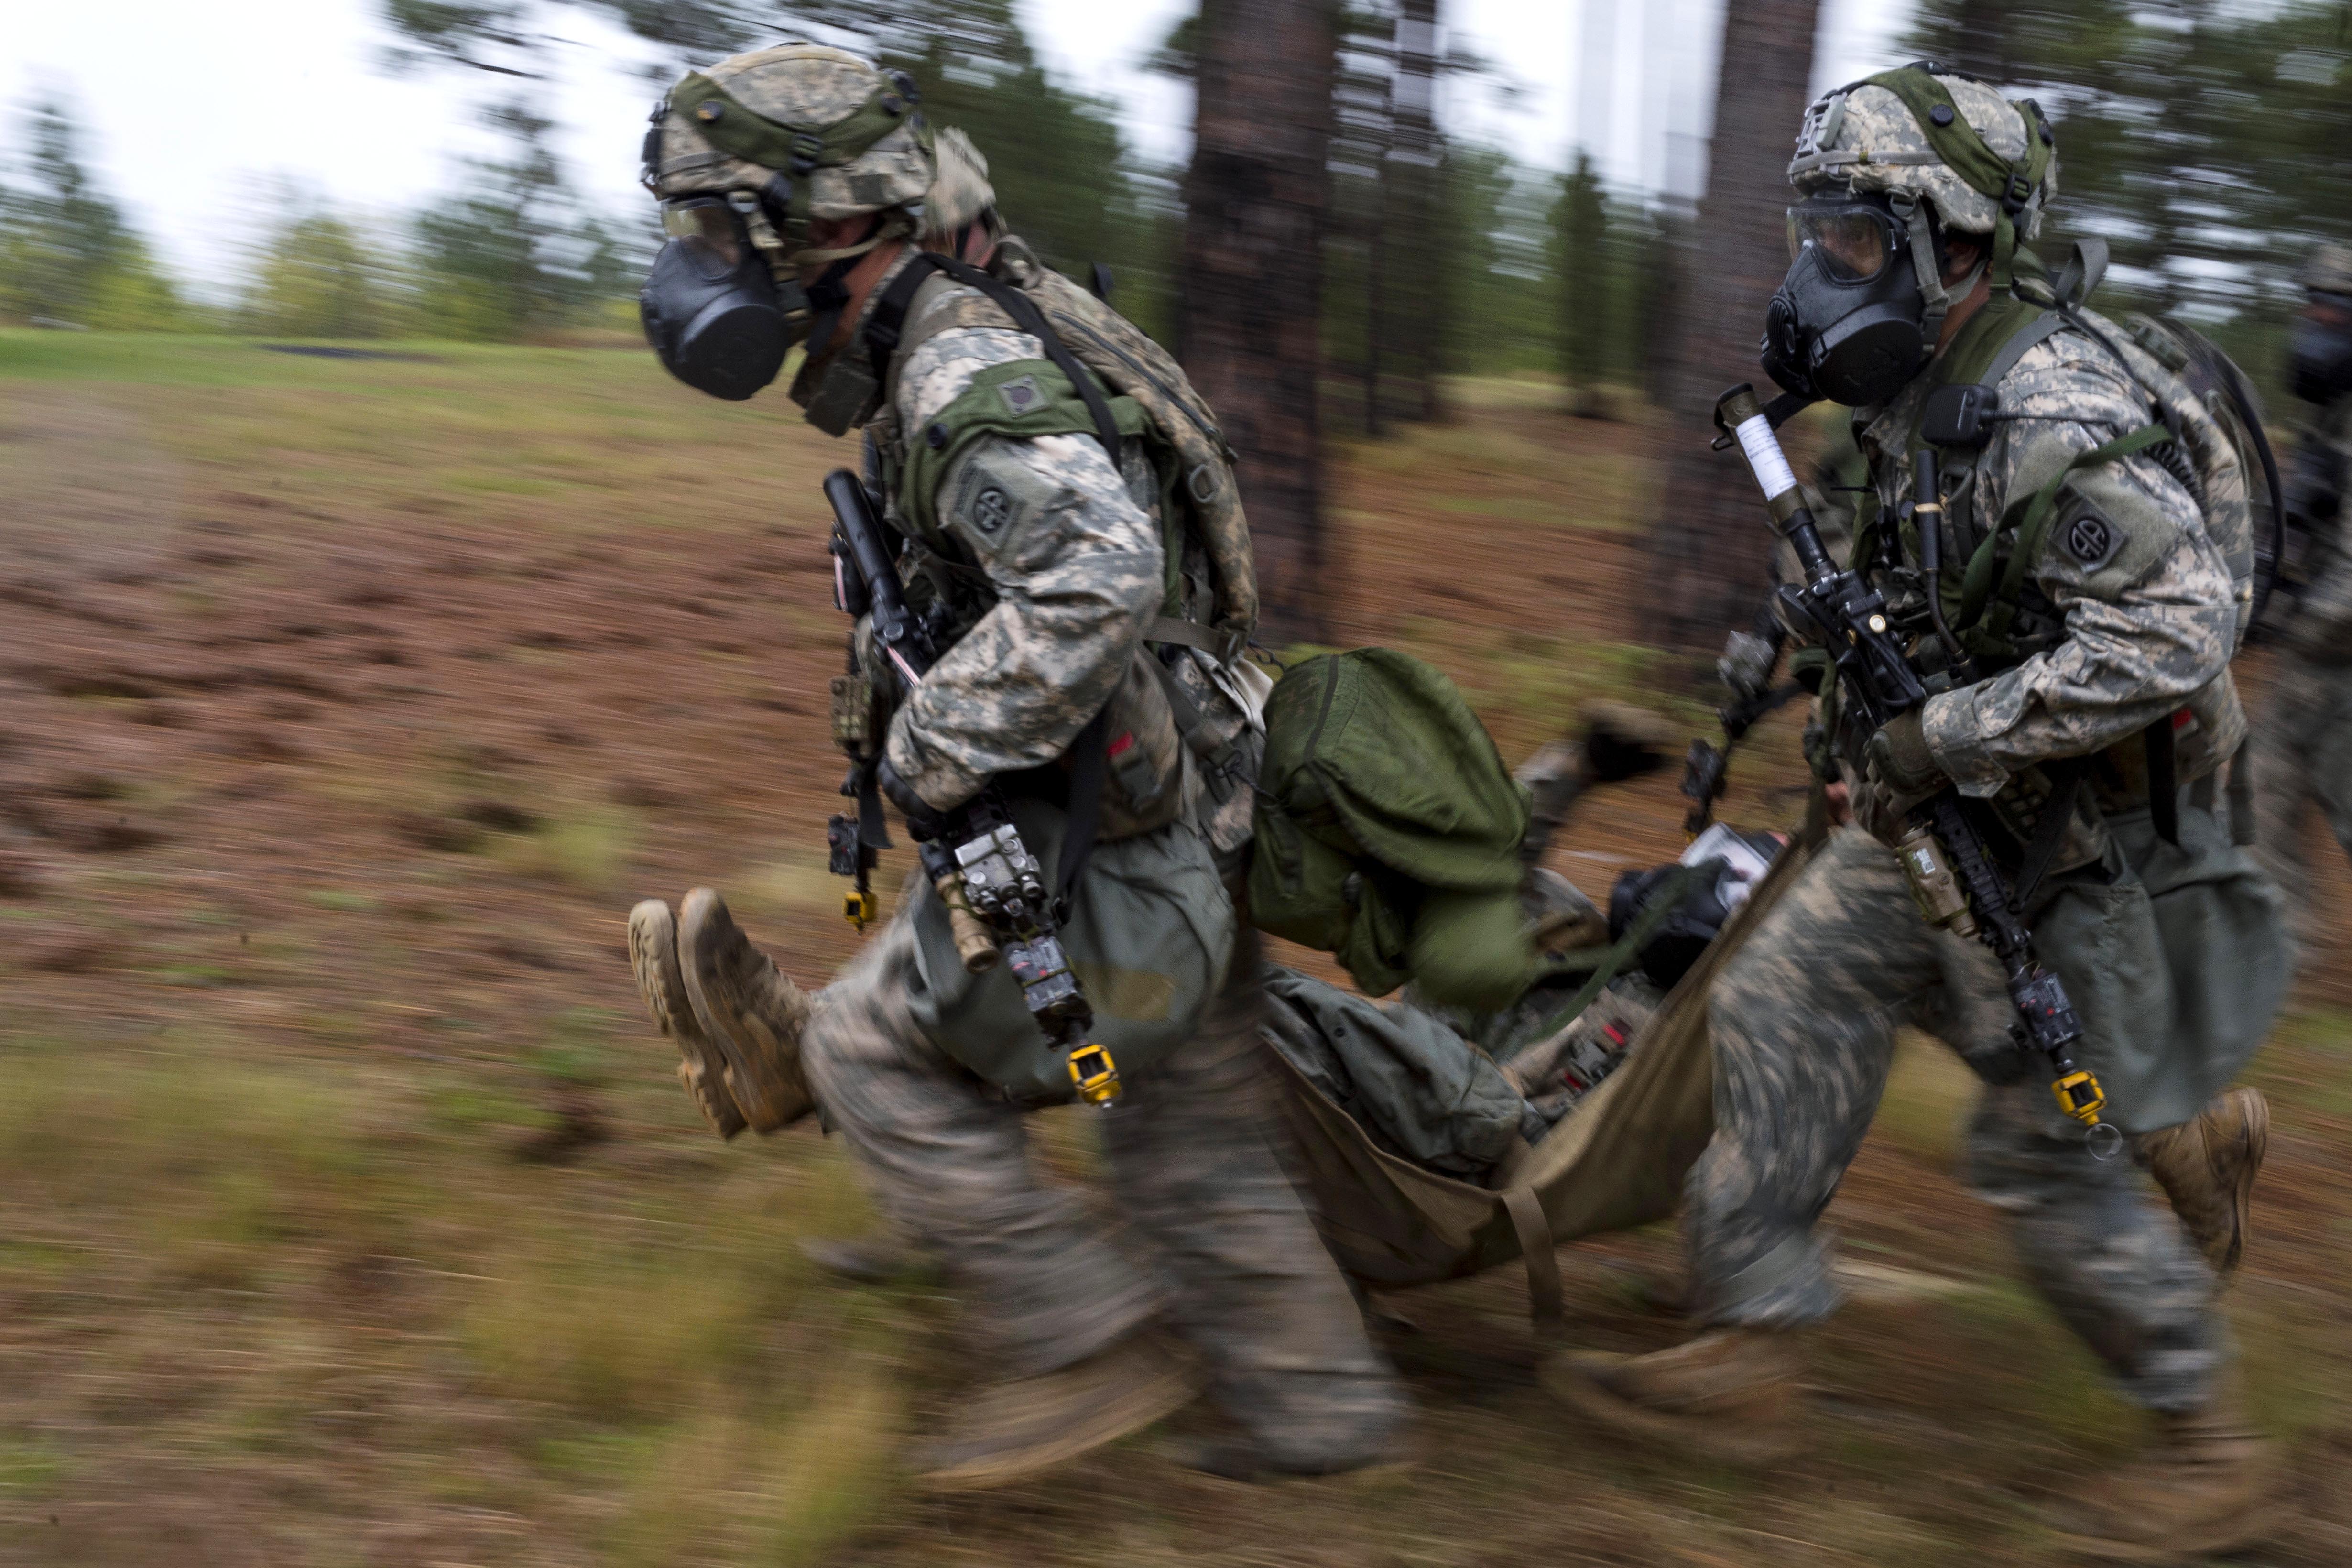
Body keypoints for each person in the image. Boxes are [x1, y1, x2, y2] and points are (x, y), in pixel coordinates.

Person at [618, 43, 1401, 1490]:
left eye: (725, 226)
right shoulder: (961, 331)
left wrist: (930, 738)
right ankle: (1325, 1416)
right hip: (1186, 808)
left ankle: (1083, 1337)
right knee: (1190, 1135)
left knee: (871, 1057)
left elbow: (1095, 579)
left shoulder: (965, 366)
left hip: (1124, 841)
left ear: (827, 221)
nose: (702, 260)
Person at [1551, 65, 2289, 1562]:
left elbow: (2172, 639)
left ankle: (2207, 1439)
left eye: (1856, 240)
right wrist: (1806, 685)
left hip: (2099, 844)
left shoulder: (2054, 404)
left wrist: (1941, 736)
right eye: (1815, 234)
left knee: (2037, 1146)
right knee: (1779, 993)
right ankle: (1751, 1343)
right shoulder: (1909, 401)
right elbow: (1880, 566)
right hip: (1940, 802)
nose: (1822, 272)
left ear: (1960, 246)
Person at [2252, 241, 2352, 952]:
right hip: (2321, 664)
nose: (2313, 322)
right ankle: (2284, 953)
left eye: (2330, 309)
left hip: (2336, 655)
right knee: (2266, 788)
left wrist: (2282, 622)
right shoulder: (2330, 417)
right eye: (2308, 304)